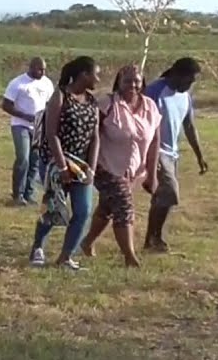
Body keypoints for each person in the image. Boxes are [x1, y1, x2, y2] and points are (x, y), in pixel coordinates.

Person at [81, 64, 162, 267]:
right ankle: (130, 257)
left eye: (136, 80)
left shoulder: (150, 106)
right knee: (124, 206)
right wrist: (87, 165)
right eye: (127, 80)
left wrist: (152, 175)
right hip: (105, 166)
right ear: (119, 82)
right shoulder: (107, 104)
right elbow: (90, 135)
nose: (132, 85)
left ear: (142, 82)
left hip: (133, 170)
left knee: (108, 207)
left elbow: (154, 142)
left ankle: (86, 242)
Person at [28, 56, 101, 269]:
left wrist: (92, 170)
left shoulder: (92, 101)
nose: (98, 78)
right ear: (83, 75)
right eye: (96, 74)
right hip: (55, 161)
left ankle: (65, 256)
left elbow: (95, 137)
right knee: (54, 207)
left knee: (83, 211)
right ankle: (38, 246)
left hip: (82, 165)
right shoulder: (60, 96)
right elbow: (51, 134)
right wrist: (62, 167)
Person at [144, 57, 208, 253]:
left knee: (162, 198)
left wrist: (200, 156)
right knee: (170, 193)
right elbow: (142, 124)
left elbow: (189, 126)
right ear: (177, 74)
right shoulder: (155, 92)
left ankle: (152, 240)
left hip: (172, 154)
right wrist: (148, 158)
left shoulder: (185, 96)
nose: (190, 86)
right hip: (156, 151)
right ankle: (154, 239)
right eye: (188, 81)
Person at [2, 56, 54, 205]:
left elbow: (50, 103)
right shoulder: (18, 83)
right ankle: (17, 194)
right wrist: (25, 116)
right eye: (39, 69)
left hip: (39, 126)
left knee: (35, 159)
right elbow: (6, 105)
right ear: (31, 67)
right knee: (23, 158)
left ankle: (28, 193)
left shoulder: (47, 83)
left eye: (44, 69)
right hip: (21, 125)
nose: (42, 72)